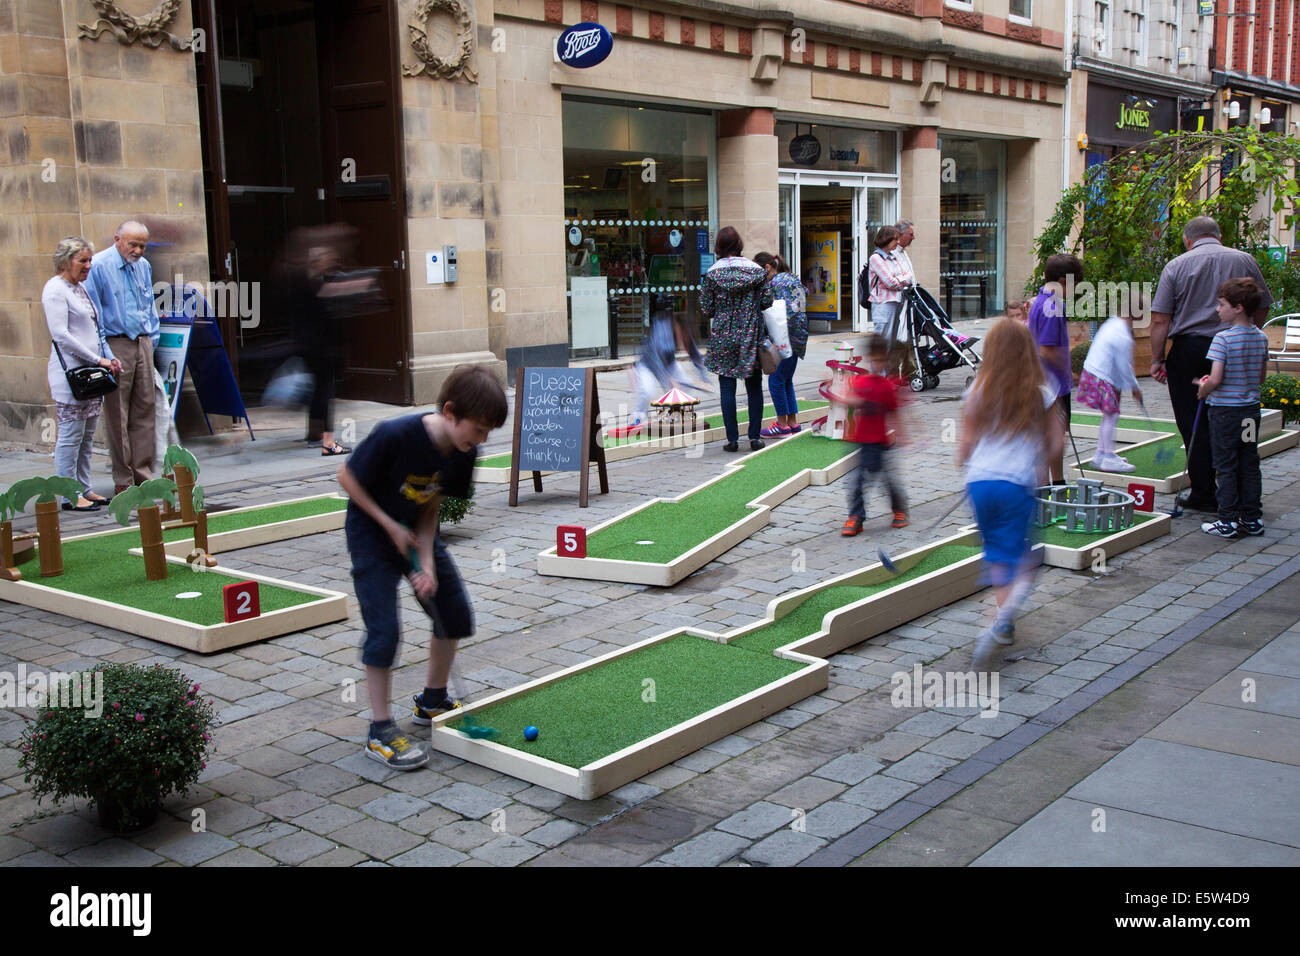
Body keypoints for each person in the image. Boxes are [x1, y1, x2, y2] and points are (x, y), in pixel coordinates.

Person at [337, 365, 508, 769]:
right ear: (450, 411)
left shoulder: (464, 453)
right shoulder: (395, 435)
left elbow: (431, 505)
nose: (482, 440)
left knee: (453, 610)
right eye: (478, 429)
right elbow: (346, 477)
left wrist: (427, 563)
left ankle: (432, 701)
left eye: (487, 433)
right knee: (384, 631)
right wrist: (390, 526)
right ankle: (380, 730)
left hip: (415, 532)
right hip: (371, 534)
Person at [957, 319, 1063, 670]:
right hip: (1017, 483)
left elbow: (965, 446)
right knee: (1022, 555)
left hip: (980, 483)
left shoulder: (978, 390)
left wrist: (966, 463)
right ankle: (1002, 616)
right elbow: (1055, 443)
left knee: (997, 550)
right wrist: (1042, 466)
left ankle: (1004, 617)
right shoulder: (1042, 392)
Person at [1150, 216, 1273, 513]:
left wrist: (1157, 359)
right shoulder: (1244, 260)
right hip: (1238, 346)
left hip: (1190, 349)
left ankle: (1204, 493)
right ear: (1219, 236)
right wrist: (1249, 334)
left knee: (1193, 421)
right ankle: (1242, 497)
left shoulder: (1176, 265)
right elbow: (1263, 304)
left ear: (1187, 240)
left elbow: (1160, 319)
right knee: (1239, 425)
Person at [43, 238, 121, 512]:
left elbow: (95, 329)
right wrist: (97, 359)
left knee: (87, 436)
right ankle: (69, 493)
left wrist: (107, 358)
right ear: (65, 261)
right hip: (72, 376)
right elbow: (61, 335)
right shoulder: (55, 289)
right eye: (82, 261)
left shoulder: (80, 288)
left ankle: (85, 488)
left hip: (90, 375)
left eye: (90, 260)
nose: (88, 266)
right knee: (70, 436)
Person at [83, 221, 158, 494]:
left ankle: (143, 475)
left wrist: (152, 340)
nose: (137, 250)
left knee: (145, 409)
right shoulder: (99, 266)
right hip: (115, 344)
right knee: (118, 414)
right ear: (117, 239)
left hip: (142, 342)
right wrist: (105, 353)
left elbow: (148, 306)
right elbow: (94, 314)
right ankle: (123, 480)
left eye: (142, 246)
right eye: (132, 244)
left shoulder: (144, 266)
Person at [1196, 278, 1271, 538]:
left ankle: (1227, 520)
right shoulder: (1261, 337)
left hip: (1225, 414)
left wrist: (1203, 388)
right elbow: (1260, 378)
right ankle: (1252, 518)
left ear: (1238, 307)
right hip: (1249, 412)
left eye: (1221, 304)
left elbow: (1215, 379)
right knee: (1249, 462)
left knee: (1226, 464)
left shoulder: (1222, 339)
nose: (1218, 309)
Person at [702, 227, 773, 453]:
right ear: (739, 244)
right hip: (750, 334)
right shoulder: (757, 272)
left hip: (723, 336)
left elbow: (707, 308)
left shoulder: (712, 274)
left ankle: (732, 439)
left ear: (719, 246)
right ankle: (754, 437)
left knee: (727, 387)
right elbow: (767, 302)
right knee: (754, 386)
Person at [837, 334, 908, 535]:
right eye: (875, 360)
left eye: (882, 360)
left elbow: (894, 413)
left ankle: (899, 510)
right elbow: (851, 400)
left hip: (881, 442)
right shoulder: (860, 382)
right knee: (857, 481)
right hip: (862, 441)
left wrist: (902, 435)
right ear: (869, 359)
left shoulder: (887, 387)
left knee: (889, 480)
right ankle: (856, 517)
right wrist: (848, 399)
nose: (878, 364)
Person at [1027, 253, 1081, 484]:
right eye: (1074, 283)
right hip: (1052, 383)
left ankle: (1053, 483)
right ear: (1062, 281)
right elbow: (1047, 349)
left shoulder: (1042, 301)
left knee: (1051, 435)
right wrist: (1069, 372)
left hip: (1046, 381)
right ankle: (1050, 486)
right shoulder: (1051, 306)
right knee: (1053, 435)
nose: (1075, 289)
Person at [1077, 296, 1144, 472]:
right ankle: (1107, 457)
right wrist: (1135, 388)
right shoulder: (1122, 335)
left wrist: (1128, 386)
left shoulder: (1112, 323)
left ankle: (1101, 454)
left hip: (1093, 372)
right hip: (1101, 376)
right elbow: (1124, 366)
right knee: (1111, 415)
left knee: (1109, 414)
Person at [754, 251, 807, 437]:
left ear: (768, 267)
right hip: (799, 336)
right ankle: (793, 422)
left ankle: (782, 425)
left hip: (784, 337)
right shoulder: (792, 279)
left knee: (776, 380)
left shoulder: (776, 283)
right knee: (786, 380)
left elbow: (777, 312)